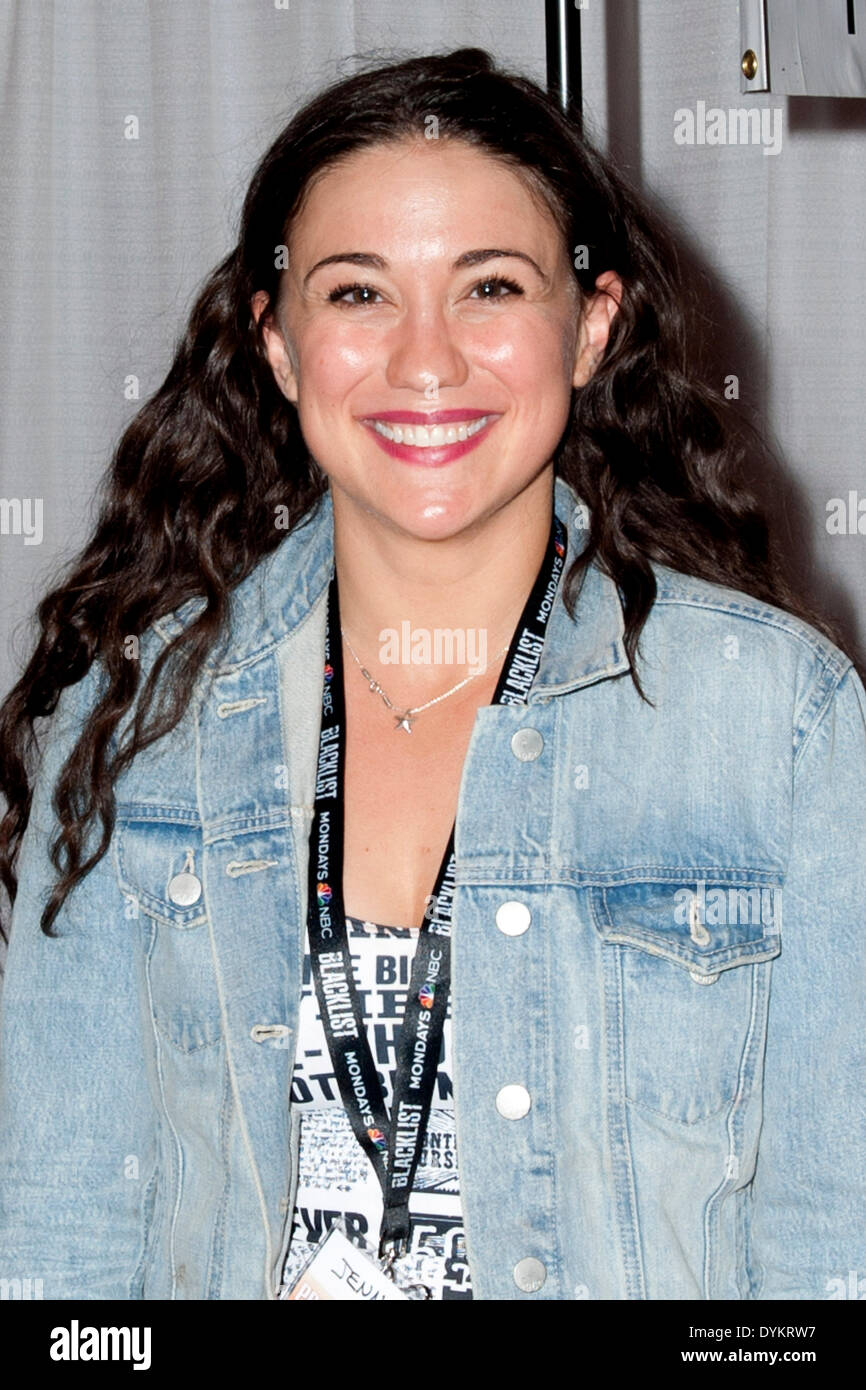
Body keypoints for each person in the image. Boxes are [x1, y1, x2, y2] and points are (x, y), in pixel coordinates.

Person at [0, 46, 864, 1302]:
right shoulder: (130, 714)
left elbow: (831, 1268)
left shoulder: (779, 726)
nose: (424, 360)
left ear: (591, 327)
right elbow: (54, 1253)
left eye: (490, 288)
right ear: (279, 342)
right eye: (356, 294)